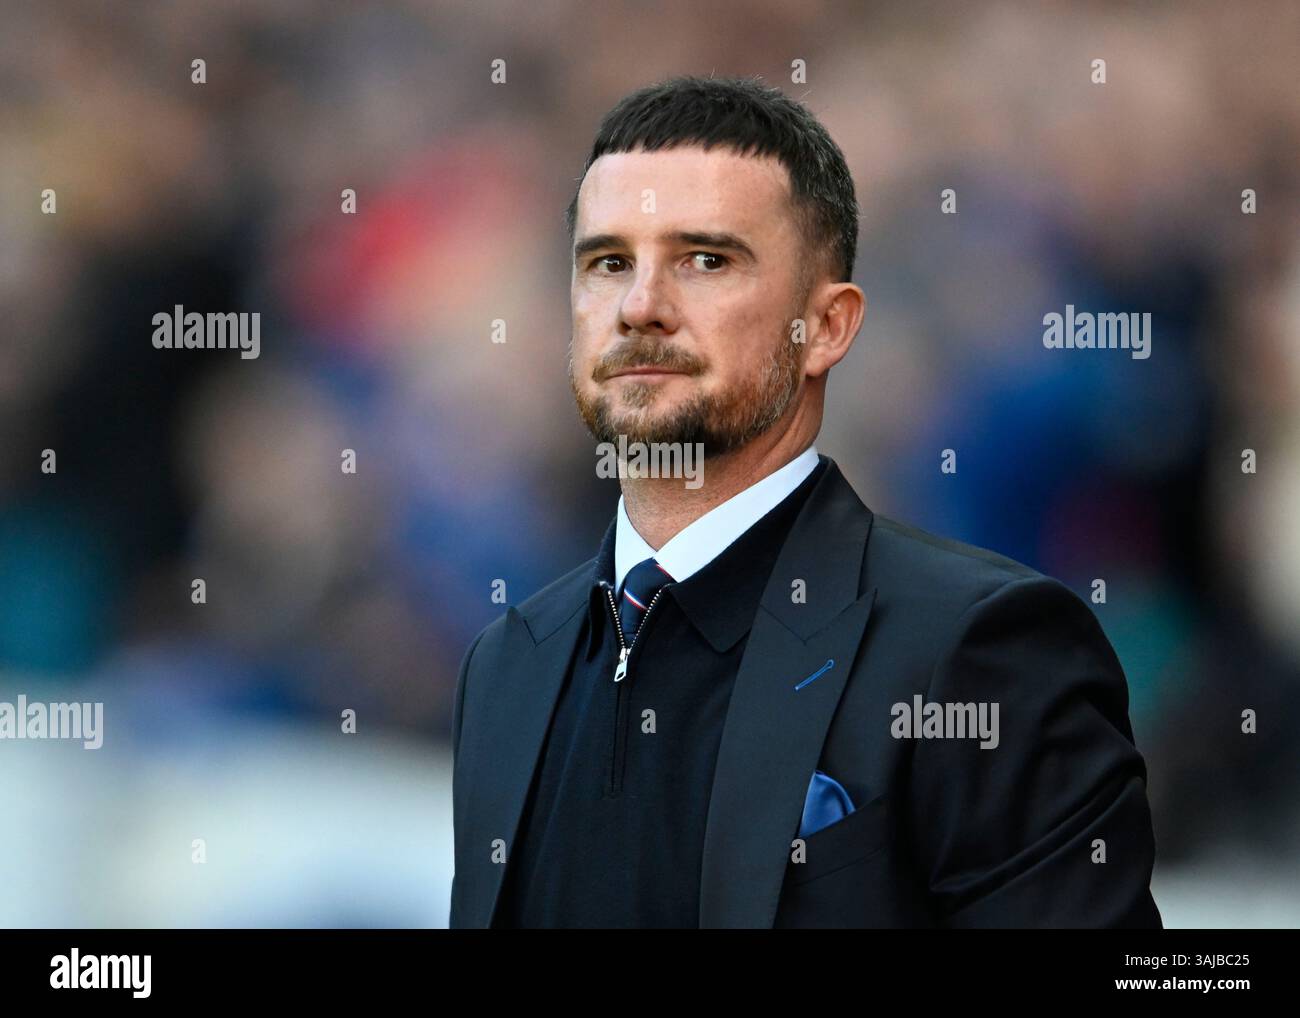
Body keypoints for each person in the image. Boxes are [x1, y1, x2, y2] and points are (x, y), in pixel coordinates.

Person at [449, 75, 1161, 929]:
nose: (640, 307)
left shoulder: (978, 650)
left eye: (705, 259)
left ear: (827, 326)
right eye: (608, 263)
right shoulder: (507, 665)